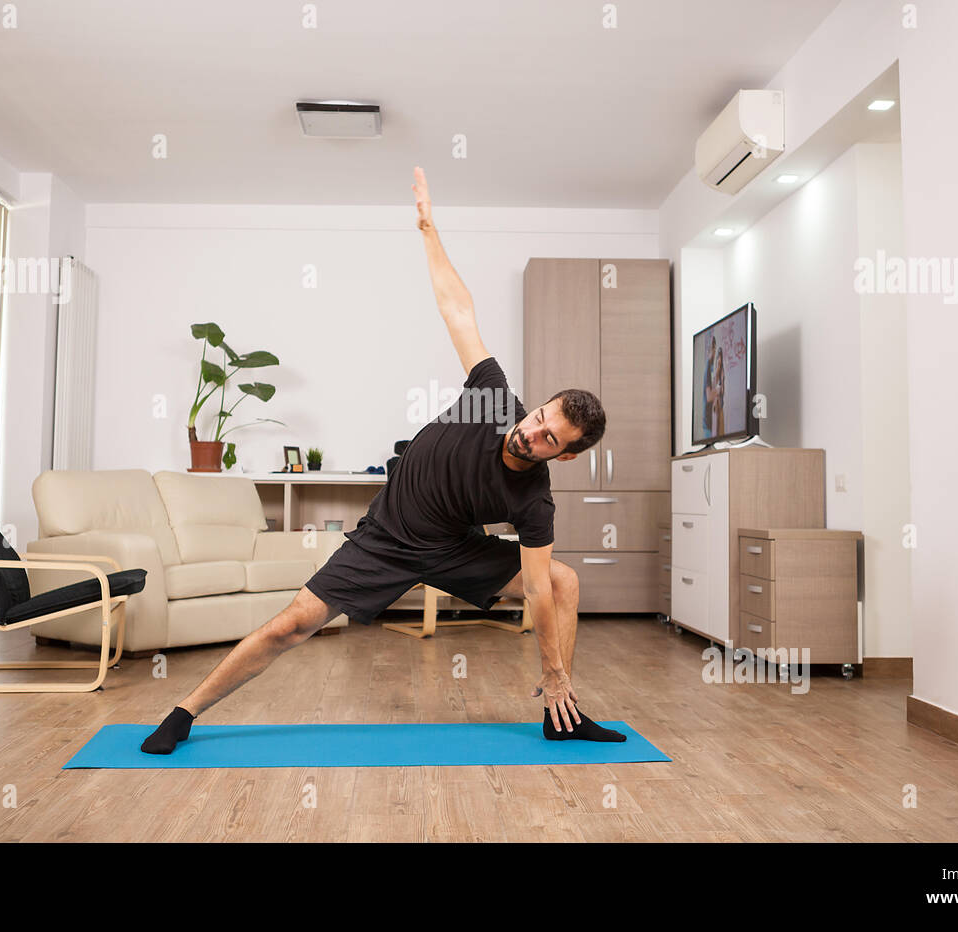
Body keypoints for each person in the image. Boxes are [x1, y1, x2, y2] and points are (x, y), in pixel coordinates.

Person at [140, 166, 620, 754]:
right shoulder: (494, 398)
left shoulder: (534, 500)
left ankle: (560, 710)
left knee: (564, 580)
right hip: (387, 537)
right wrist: (427, 229)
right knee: (292, 624)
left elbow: (541, 590)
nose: (532, 434)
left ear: (565, 457)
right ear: (535, 405)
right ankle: (185, 712)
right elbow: (458, 310)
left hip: (452, 549)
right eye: (539, 418)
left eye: (550, 439)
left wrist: (552, 671)